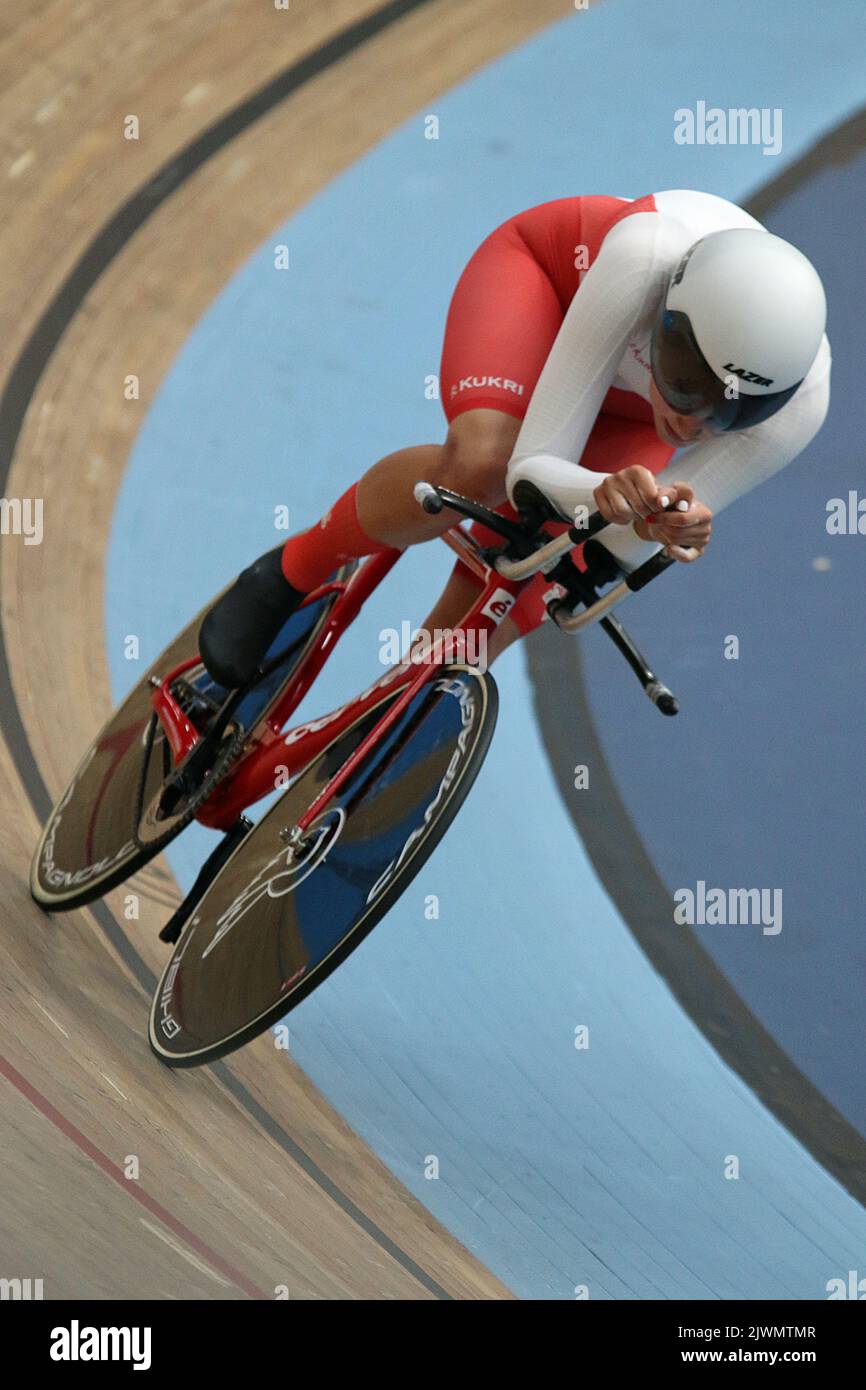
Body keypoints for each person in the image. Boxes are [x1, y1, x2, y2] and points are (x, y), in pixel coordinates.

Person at [199, 189, 830, 687]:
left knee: (560, 561)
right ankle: (292, 569)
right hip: (547, 291)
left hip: (629, 410)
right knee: (483, 463)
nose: (693, 425)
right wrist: (603, 489)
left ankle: (392, 715)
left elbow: (623, 550)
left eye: (730, 412)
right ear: (668, 321)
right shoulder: (646, 258)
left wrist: (661, 525)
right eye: (690, 385)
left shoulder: (802, 404)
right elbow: (532, 469)